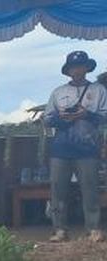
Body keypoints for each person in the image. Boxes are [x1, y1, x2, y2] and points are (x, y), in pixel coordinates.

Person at [43, 51, 107, 243]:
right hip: (61, 149)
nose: (77, 70)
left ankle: (94, 229)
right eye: (73, 67)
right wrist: (61, 117)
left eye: (81, 66)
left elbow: (105, 116)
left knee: (90, 189)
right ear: (68, 70)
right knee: (58, 189)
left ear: (87, 68)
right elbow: (46, 119)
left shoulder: (99, 91)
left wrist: (85, 114)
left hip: (88, 147)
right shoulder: (58, 92)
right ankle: (59, 229)